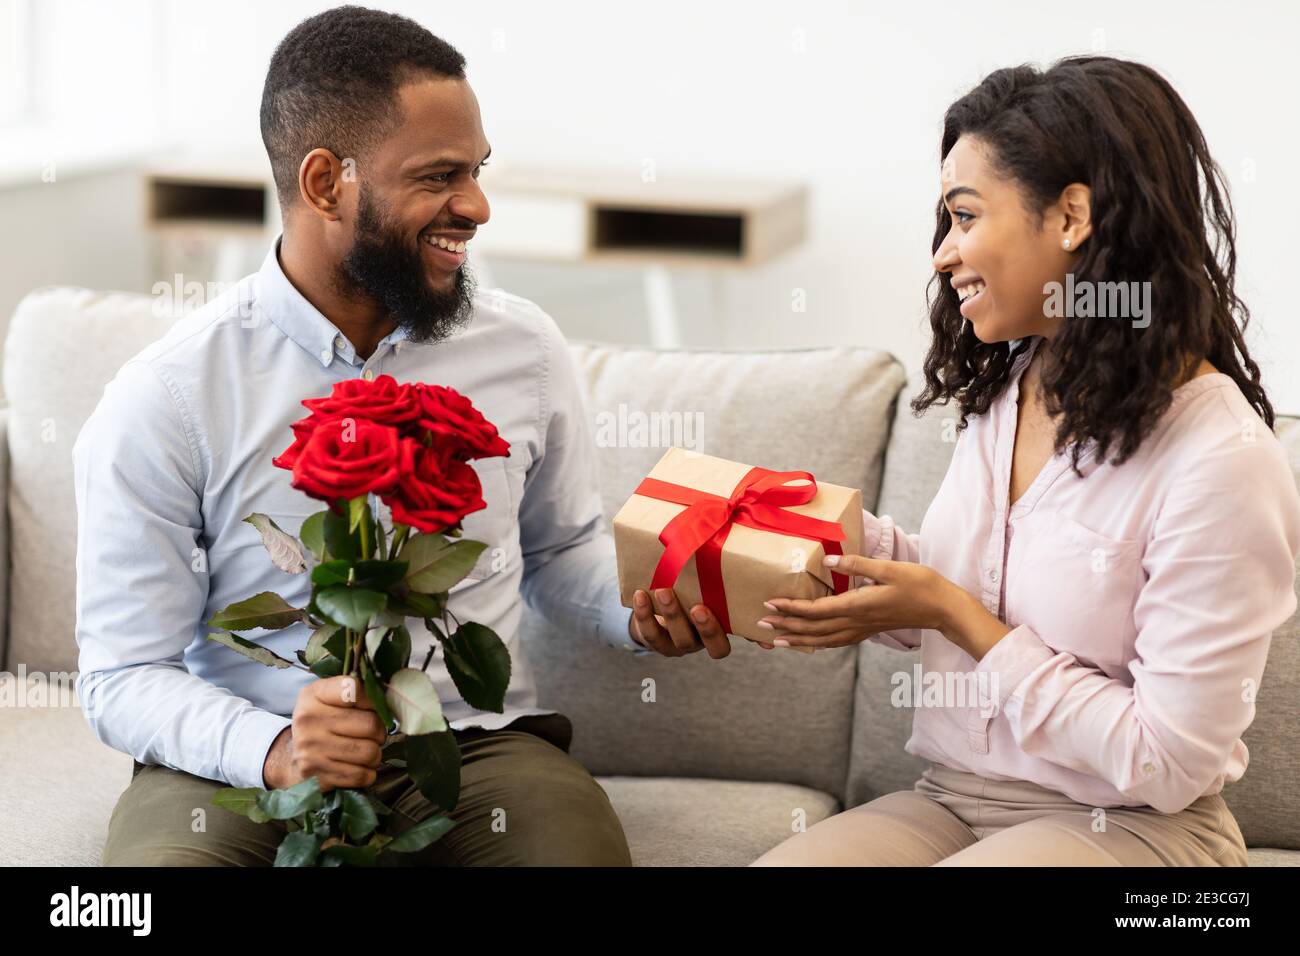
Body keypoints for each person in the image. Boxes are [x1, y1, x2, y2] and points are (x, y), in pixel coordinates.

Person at [73, 5, 723, 867]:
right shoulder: (167, 395)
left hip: (471, 749)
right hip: (242, 753)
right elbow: (122, 674)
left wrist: (638, 611)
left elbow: (560, 553)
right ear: (323, 183)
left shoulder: (523, 351)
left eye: (479, 170)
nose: (478, 206)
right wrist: (275, 750)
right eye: (439, 176)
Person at [749, 57, 1300, 866]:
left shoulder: (1222, 459)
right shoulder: (1013, 381)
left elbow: (1169, 759)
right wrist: (808, 539)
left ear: (1072, 214)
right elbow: (962, 585)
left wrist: (959, 619)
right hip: (951, 800)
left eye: (966, 217)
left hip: (1140, 826)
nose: (943, 254)